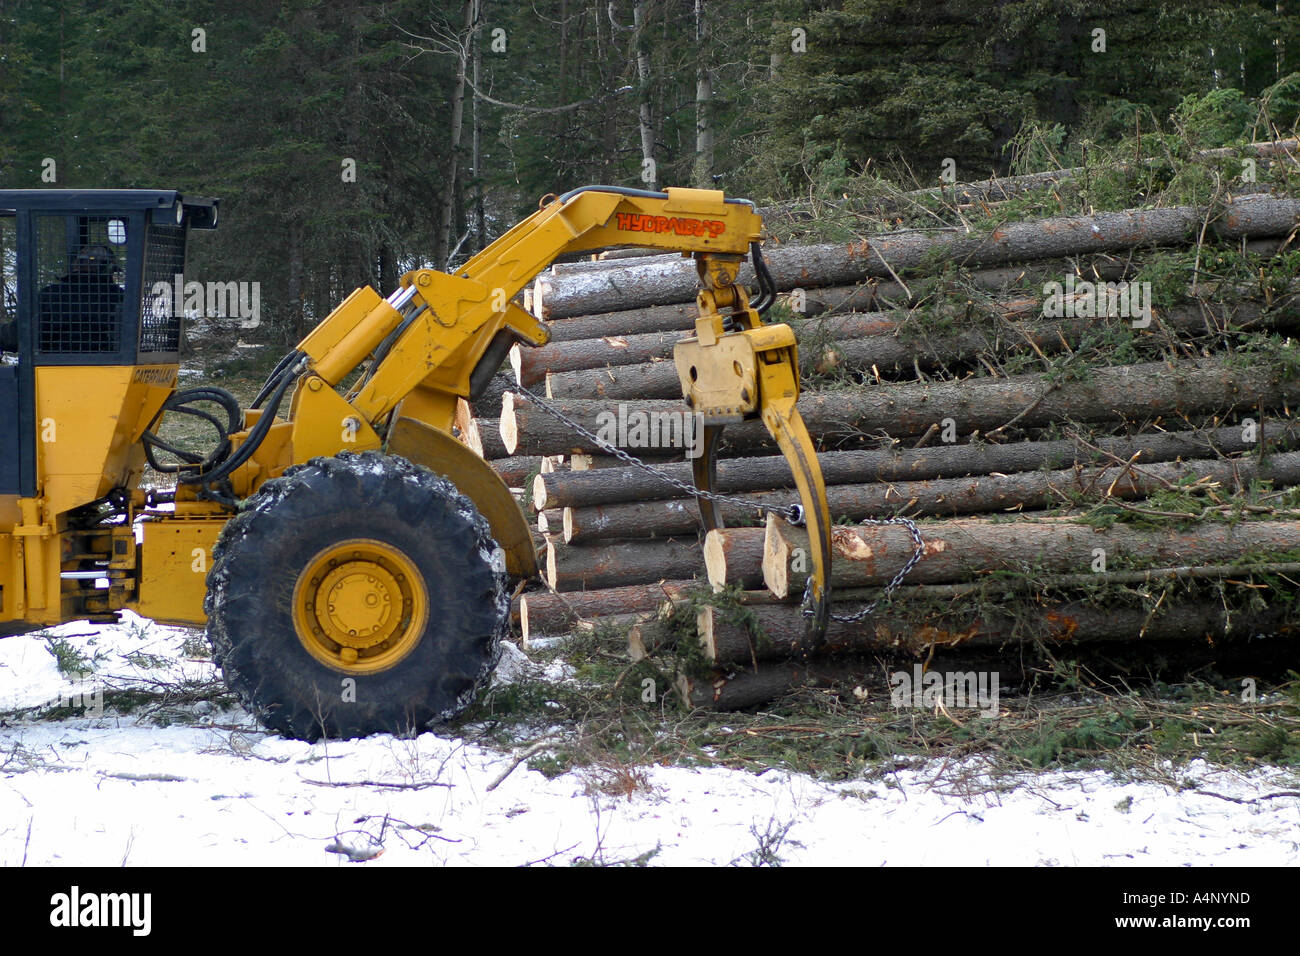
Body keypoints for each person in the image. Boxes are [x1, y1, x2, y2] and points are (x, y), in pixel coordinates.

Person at [37, 244, 125, 353]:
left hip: (55, 363)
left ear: (76, 264)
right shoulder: (121, 297)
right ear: (107, 269)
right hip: (110, 363)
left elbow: (25, 334)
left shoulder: (50, 295)